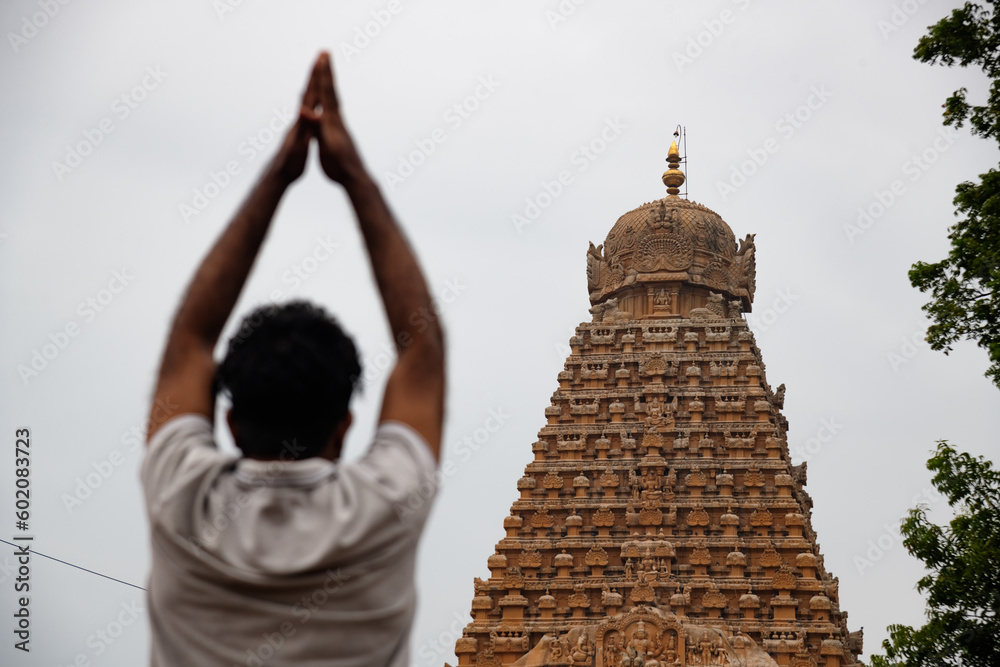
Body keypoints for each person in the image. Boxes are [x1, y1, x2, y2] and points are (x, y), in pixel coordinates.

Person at [141, 52, 446, 666]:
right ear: (344, 428)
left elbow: (189, 339)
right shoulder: (382, 511)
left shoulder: (182, 499)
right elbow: (423, 352)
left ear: (228, 421)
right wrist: (354, 176)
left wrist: (278, 175)